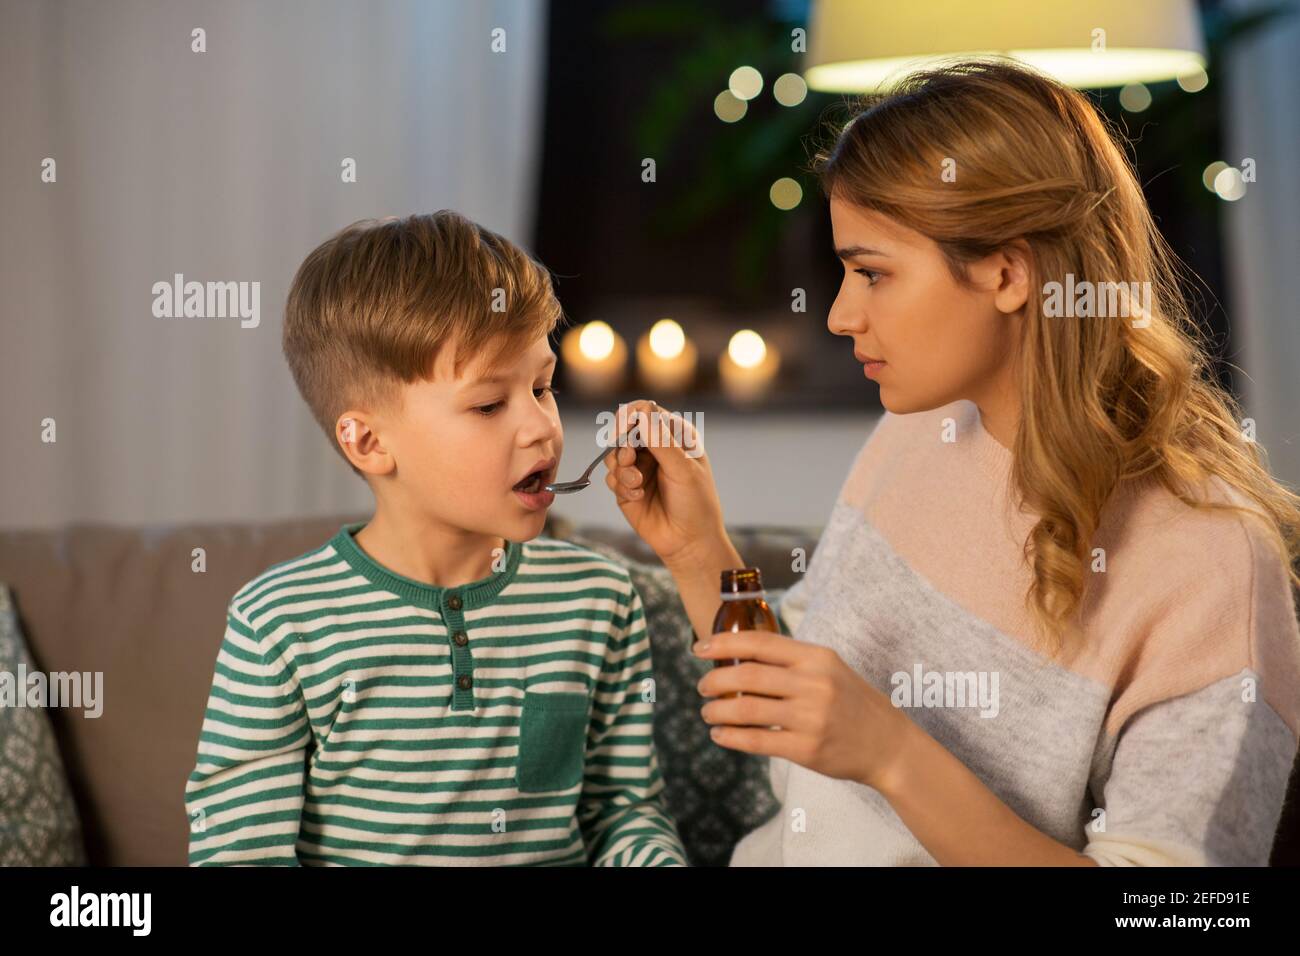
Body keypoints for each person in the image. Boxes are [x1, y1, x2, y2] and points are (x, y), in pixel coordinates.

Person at [600, 60, 1300, 866]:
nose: (838, 314)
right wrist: (699, 554)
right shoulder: (917, 435)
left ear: (1008, 273)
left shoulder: (1211, 569)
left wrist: (896, 756)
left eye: (872, 273)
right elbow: (804, 736)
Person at [185, 211, 684, 866]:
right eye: (488, 405)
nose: (541, 429)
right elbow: (241, 857)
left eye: (542, 387)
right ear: (369, 442)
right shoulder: (280, 623)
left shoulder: (599, 599)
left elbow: (621, 810)